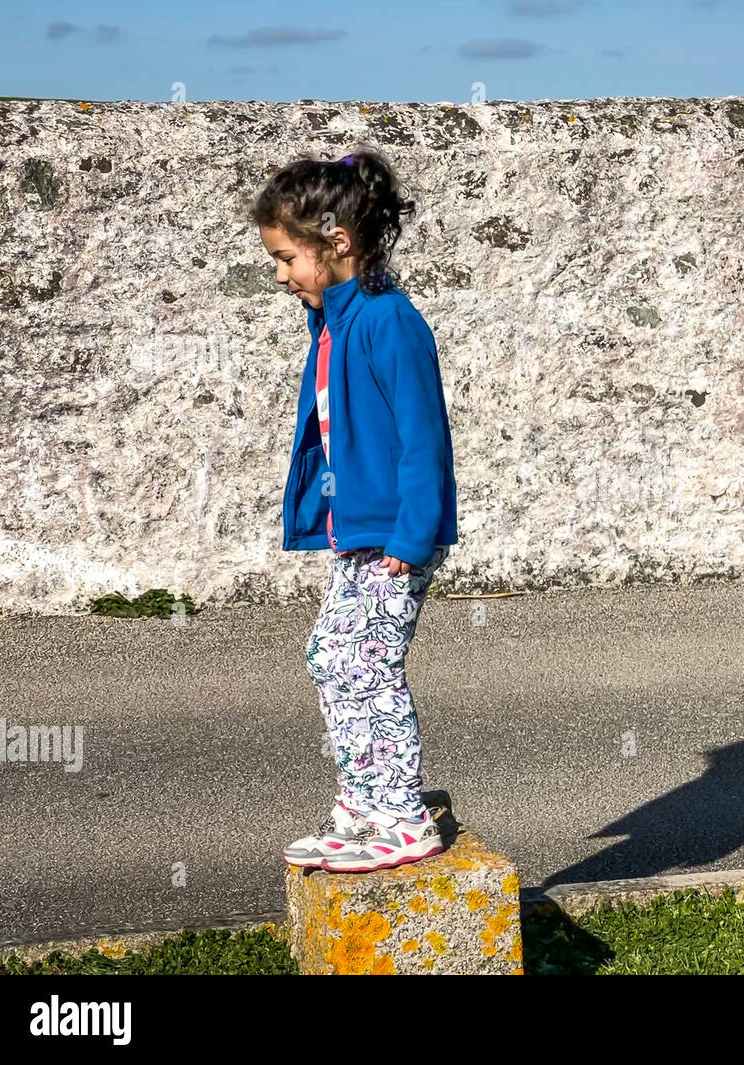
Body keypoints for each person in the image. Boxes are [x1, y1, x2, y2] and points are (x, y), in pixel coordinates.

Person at [253, 148, 458, 872]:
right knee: (330, 656)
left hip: (397, 533)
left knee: (366, 664)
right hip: (361, 532)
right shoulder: (335, 320)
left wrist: (412, 532)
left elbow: (422, 437)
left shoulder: (387, 321)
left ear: (336, 242)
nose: (280, 275)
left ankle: (401, 817)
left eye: (285, 258)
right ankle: (362, 803)